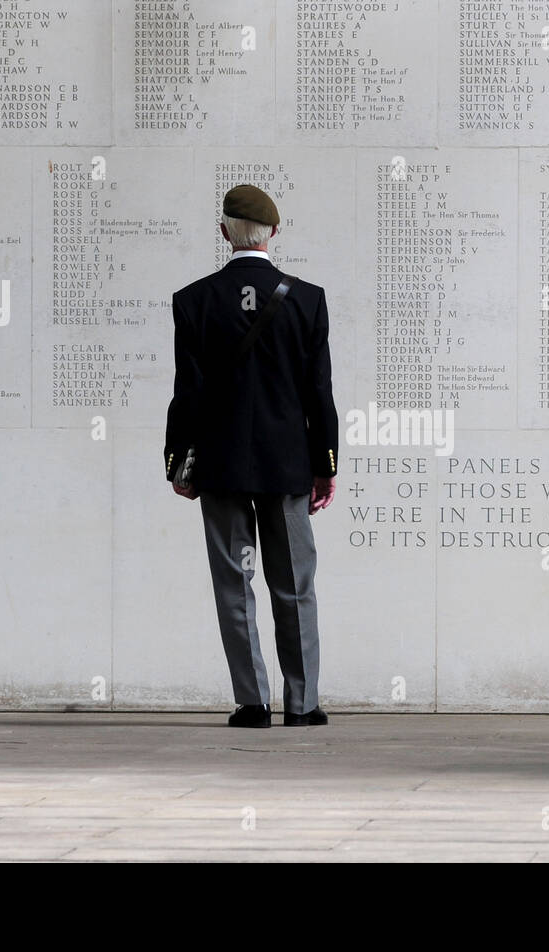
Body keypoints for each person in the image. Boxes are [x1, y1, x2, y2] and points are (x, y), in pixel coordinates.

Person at [164, 184, 338, 728]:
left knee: (233, 584)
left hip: (219, 466)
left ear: (223, 234)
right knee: (294, 586)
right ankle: (303, 705)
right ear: (274, 233)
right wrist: (325, 464)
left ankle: (252, 703)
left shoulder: (193, 300)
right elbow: (319, 393)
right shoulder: (307, 298)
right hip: (287, 467)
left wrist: (179, 461)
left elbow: (187, 391)